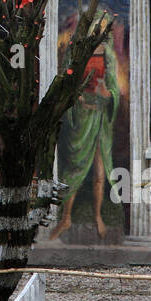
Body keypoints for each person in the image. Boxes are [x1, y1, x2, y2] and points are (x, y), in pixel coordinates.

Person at [51, 13, 119, 241]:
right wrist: (76, 95)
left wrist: (107, 93)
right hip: (81, 116)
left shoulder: (107, 54)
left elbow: (113, 88)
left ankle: (98, 216)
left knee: (99, 172)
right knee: (76, 168)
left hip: (100, 118)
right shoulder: (75, 51)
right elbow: (66, 79)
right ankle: (66, 217)